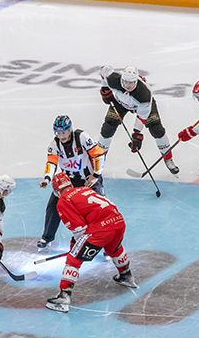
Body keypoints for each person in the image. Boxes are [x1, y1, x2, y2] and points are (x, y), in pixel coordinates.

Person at [45, 172, 136, 313]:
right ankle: (126, 276)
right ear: (69, 183)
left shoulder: (63, 200)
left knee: (73, 258)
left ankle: (64, 296)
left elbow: (80, 229)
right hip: (118, 221)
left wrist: (75, 249)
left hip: (101, 229)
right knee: (114, 249)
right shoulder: (85, 189)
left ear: (56, 189)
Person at [38, 115, 106, 252]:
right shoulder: (54, 144)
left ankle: (104, 242)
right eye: (58, 132)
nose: (61, 136)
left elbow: (98, 154)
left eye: (63, 132)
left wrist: (96, 175)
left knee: (99, 208)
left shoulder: (82, 137)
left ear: (70, 130)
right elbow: (51, 162)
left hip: (89, 178)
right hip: (69, 180)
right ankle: (47, 237)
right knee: (54, 205)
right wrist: (47, 178)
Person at [98, 65, 179, 175]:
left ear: (136, 81)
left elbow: (142, 117)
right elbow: (104, 70)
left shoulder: (144, 95)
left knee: (157, 129)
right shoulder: (113, 79)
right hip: (120, 103)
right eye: (126, 81)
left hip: (140, 106)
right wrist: (105, 89)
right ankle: (98, 160)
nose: (128, 85)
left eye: (131, 82)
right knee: (107, 128)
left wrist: (136, 133)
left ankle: (168, 159)